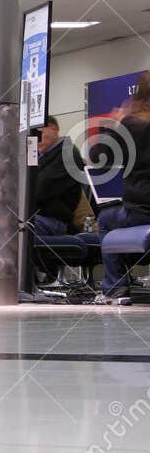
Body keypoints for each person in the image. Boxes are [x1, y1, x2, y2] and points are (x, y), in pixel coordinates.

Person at [96, 74, 150, 305]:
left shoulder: (133, 123)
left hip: (143, 207)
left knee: (106, 220)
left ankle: (115, 288)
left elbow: (99, 154)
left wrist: (117, 124)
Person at [31, 116, 83, 236]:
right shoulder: (37, 156)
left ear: (54, 129)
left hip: (54, 220)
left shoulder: (68, 154)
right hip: (36, 215)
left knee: (14, 227)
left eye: (39, 133)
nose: (36, 139)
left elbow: (39, 189)